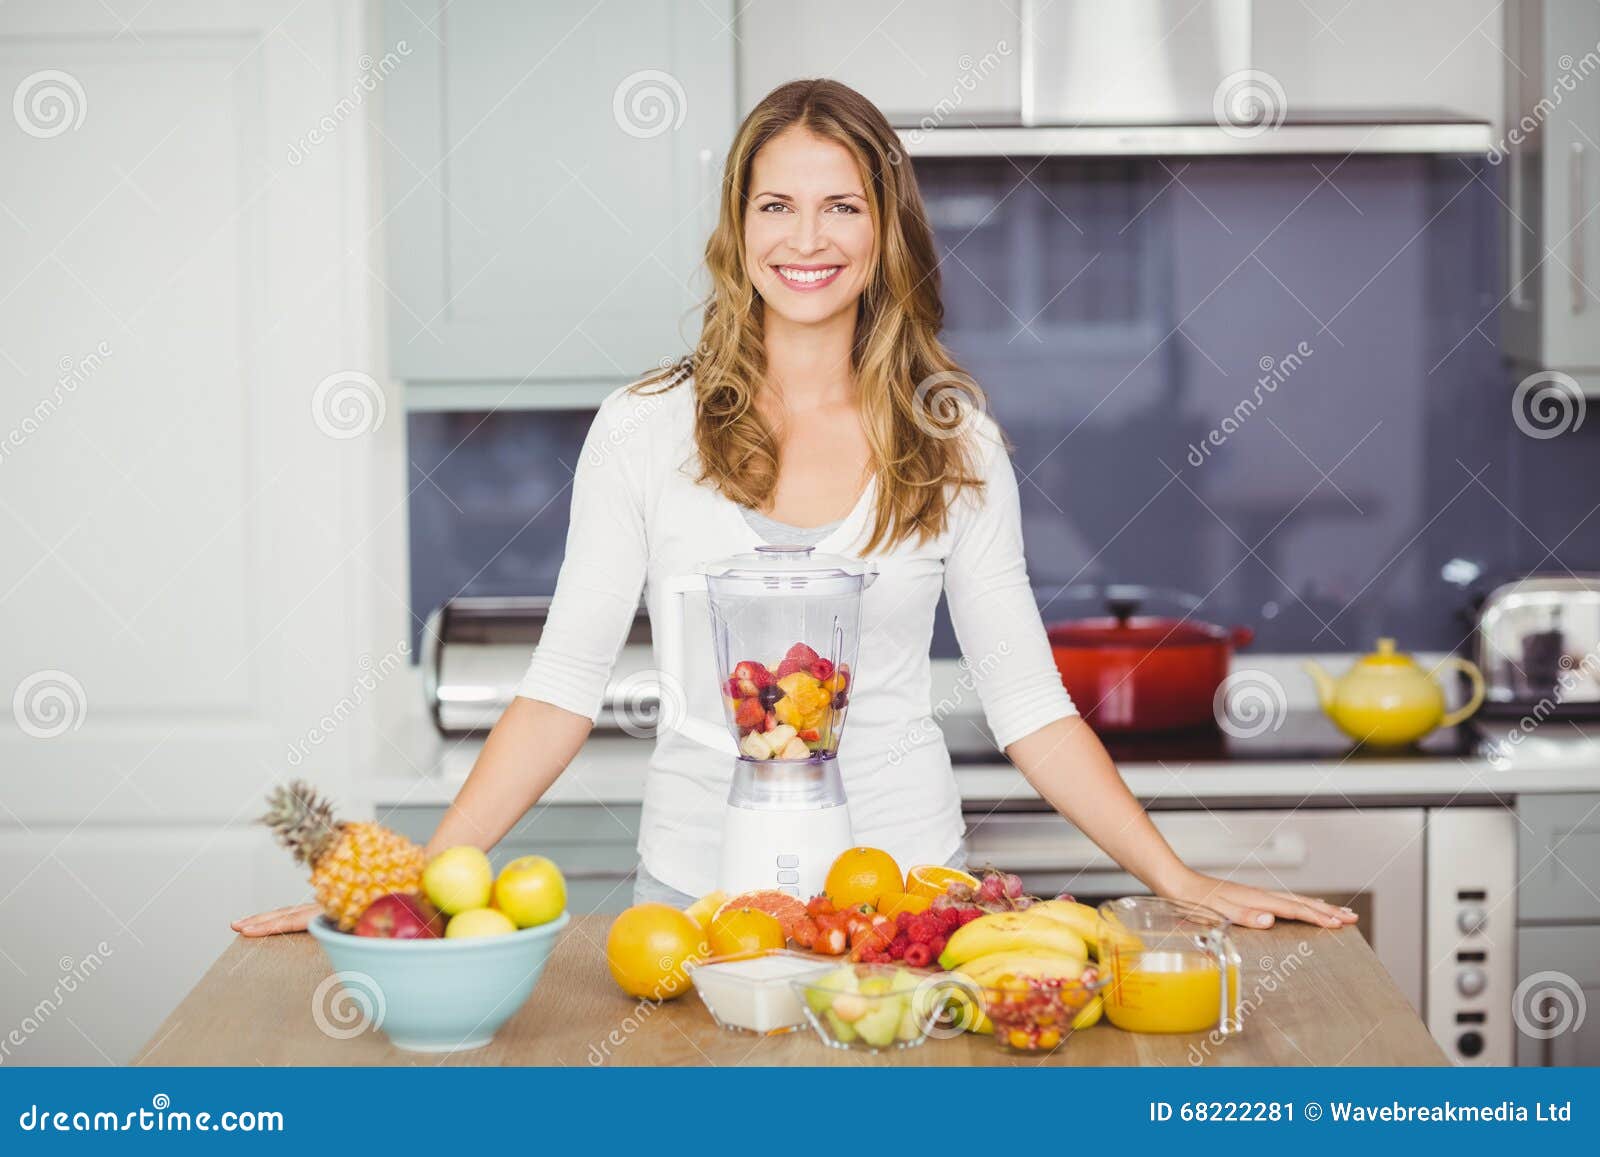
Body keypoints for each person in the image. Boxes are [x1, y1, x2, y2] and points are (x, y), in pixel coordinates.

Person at [234, 79, 1356, 937]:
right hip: (693, 893)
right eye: (776, 204)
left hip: (905, 893)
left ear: (885, 231)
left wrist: (1178, 877)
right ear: (738, 227)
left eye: (839, 206)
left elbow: (1027, 704)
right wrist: (412, 891)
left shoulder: (952, 437)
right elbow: (560, 691)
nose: (805, 239)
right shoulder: (643, 429)